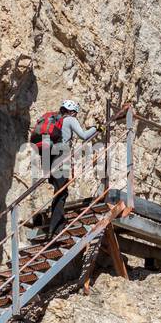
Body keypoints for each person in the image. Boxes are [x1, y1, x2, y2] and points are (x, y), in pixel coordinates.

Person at [38, 99, 97, 239]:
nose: (75, 116)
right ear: (72, 111)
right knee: (61, 194)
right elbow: (83, 136)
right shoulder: (70, 119)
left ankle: (53, 227)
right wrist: (97, 128)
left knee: (59, 192)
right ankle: (56, 229)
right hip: (60, 158)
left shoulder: (56, 121)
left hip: (49, 159)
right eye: (75, 113)